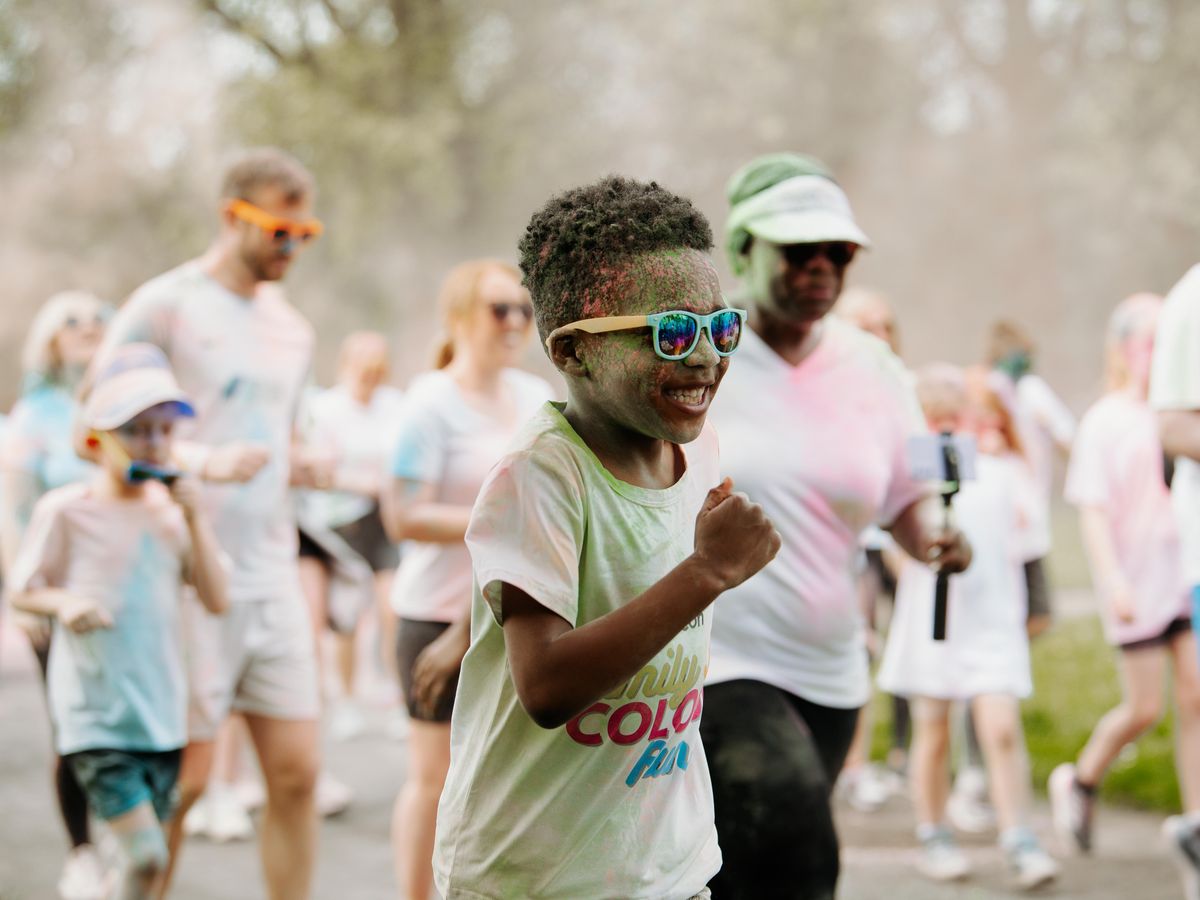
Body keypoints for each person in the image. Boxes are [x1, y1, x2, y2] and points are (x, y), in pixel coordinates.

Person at [432, 176, 781, 899]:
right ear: (573, 352)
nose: (707, 358)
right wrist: (707, 573)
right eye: (672, 332)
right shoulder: (541, 477)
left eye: (722, 329)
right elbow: (547, 684)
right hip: (536, 876)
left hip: (666, 864)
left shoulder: (698, 449)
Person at [699, 152, 971, 900]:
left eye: (837, 253)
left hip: (829, 673)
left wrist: (937, 539)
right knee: (798, 856)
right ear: (743, 249)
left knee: (749, 865)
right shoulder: (700, 352)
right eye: (799, 251)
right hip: (716, 661)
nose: (820, 267)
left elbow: (907, 504)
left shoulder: (875, 368)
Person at [93, 147, 327, 900]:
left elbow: (278, 436)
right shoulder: (164, 305)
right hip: (181, 576)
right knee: (184, 786)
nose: (291, 246)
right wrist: (194, 460)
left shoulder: (293, 328)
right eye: (277, 230)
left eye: (305, 234)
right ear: (231, 216)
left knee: (296, 776)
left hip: (271, 572)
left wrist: (302, 460)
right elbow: (89, 430)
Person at [8, 344, 229, 900]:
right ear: (93, 440)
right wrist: (66, 605)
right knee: (148, 857)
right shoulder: (66, 510)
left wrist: (196, 519)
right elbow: (22, 591)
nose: (153, 443)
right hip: (95, 717)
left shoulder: (172, 516)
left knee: (140, 865)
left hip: (159, 715)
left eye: (162, 431)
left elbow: (217, 597)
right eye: (135, 430)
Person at [381, 260, 555, 900]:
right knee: (435, 779)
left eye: (523, 310)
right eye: (498, 310)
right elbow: (402, 515)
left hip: (517, 615)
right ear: (458, 320)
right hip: (435, 615)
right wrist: (499, 521)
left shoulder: (537, 397)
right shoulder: (428, 403)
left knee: (507, 780)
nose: (514, 323)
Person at [878, 364, 1060, 890]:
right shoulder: (911, 480)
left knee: (1000, 727)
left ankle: (1019, 838)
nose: (947, 432)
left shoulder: (1000, 474)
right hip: (933, 624)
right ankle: (933, 833)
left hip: (990, 618)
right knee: (932, 729)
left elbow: (1027, 538)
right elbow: (895, 544)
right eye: (935, 423)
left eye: (955, 419)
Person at [1050, 293, 1200, 859]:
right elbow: (1092, 510)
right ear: (1124, 350)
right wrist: (1113, 581)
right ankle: (1081, 779)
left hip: (1183, 573)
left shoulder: (1184, 413)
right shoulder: (1107, 420)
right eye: (1150, 343)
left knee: (1196, 698)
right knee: (1144, 708)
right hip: (1135, 583)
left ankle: (1195, 819)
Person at [0, 289, 109, 900]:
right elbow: (11, 512)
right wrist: (23, 592)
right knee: (72, 723)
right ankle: (82, 851)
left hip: (127, 591)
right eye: (73, 321)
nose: (88, 327)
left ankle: (128, 837)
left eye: (99, 318)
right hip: (55, 591)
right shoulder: (33, 417)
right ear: (50, 339)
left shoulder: (119, 402)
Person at [300, 331, 405, 742]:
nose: (372, 372)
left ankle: (398, 696)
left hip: (383, 520)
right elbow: (316, 472)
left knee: (391, 607)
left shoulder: (393, 405)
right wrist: (362, 482)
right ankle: (343, 699)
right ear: (347, 364)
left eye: (379, 364)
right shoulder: (325, 409)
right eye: (365, 363)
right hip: (340, 520)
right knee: (345, 616)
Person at [987, 319, 1075, 638]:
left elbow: (1065, 437)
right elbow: (1067, 437)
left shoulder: (1012, 389)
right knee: (1034, 609)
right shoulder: (1008, 389)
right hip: (1017, 506)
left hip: (1022, 504)